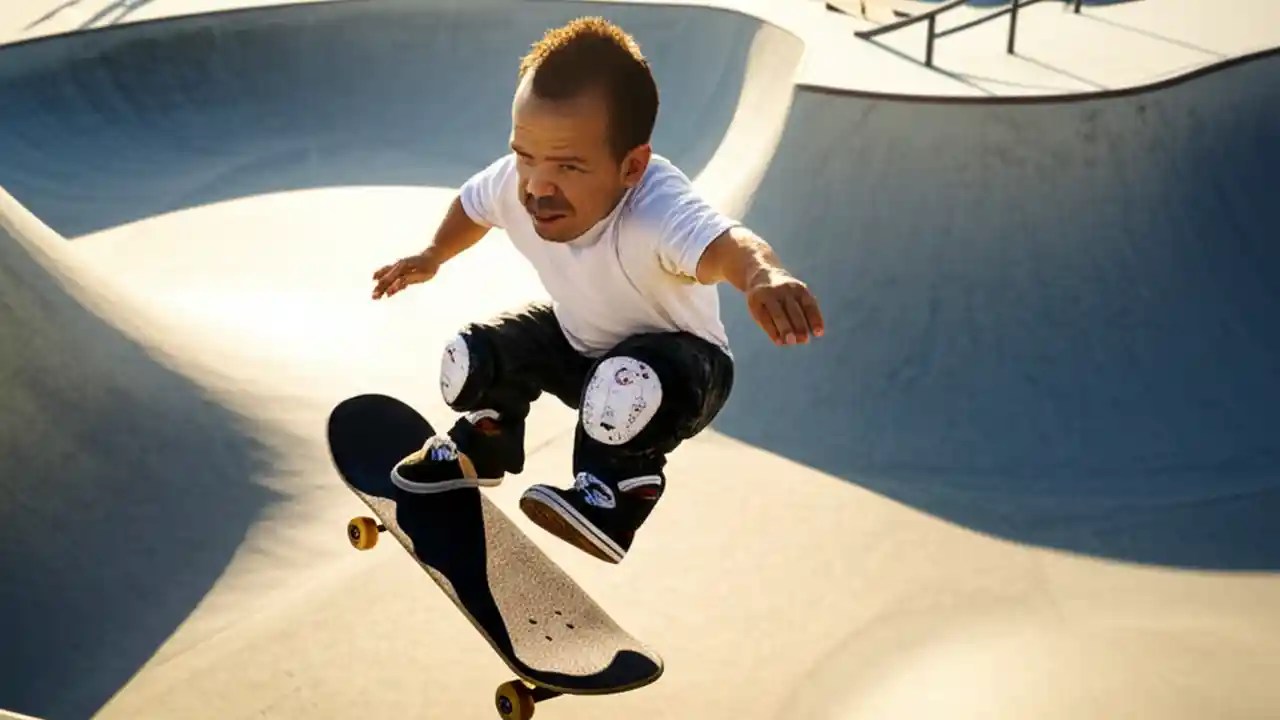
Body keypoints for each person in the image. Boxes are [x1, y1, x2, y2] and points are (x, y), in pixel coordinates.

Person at [369, 16, 823, 564]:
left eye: (569, 166)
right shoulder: (517, 181)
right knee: (473, 353)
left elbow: (730, 245)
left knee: (625, 380)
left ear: (631, 167)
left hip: (681, 375)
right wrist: (432, 255)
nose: (538, 186)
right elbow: (473, 204)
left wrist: (764, 276)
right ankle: (485, 442)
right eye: (526, 155)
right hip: (580, 351)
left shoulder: (658, 209)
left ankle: (618, 493)